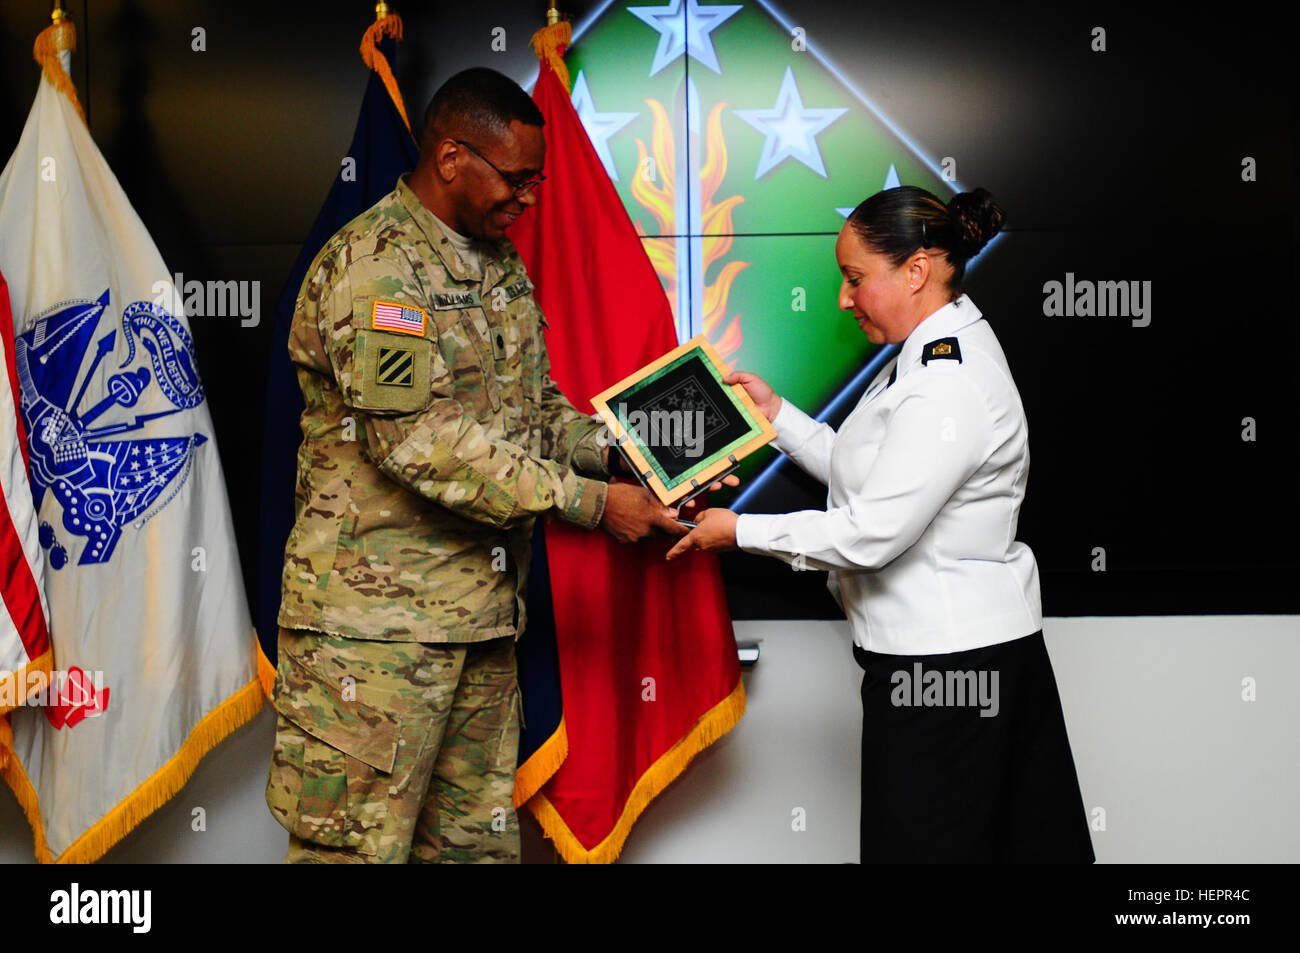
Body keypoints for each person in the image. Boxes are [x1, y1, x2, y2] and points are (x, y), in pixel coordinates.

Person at [266, 67, 689, 864]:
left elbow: (535, 409)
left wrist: (635, 450)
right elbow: (420, 439)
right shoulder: (379, 270)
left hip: (480, 626)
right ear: (453, 156)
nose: (528, 198)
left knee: (471, 855)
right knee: (354, 855)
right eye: (516, 178)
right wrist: (595, 505)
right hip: (372, 645)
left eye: (537, 179)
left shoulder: (498, 265)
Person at [667, 185, 1095, 863]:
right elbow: (869, 472)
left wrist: (740, 531)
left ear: (917, 270)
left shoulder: (944, 379)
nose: (844, 297)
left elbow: (873, 531)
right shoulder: (926, 353)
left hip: (949, 673)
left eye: (855, 277)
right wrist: (777, 416)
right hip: (959, 660)